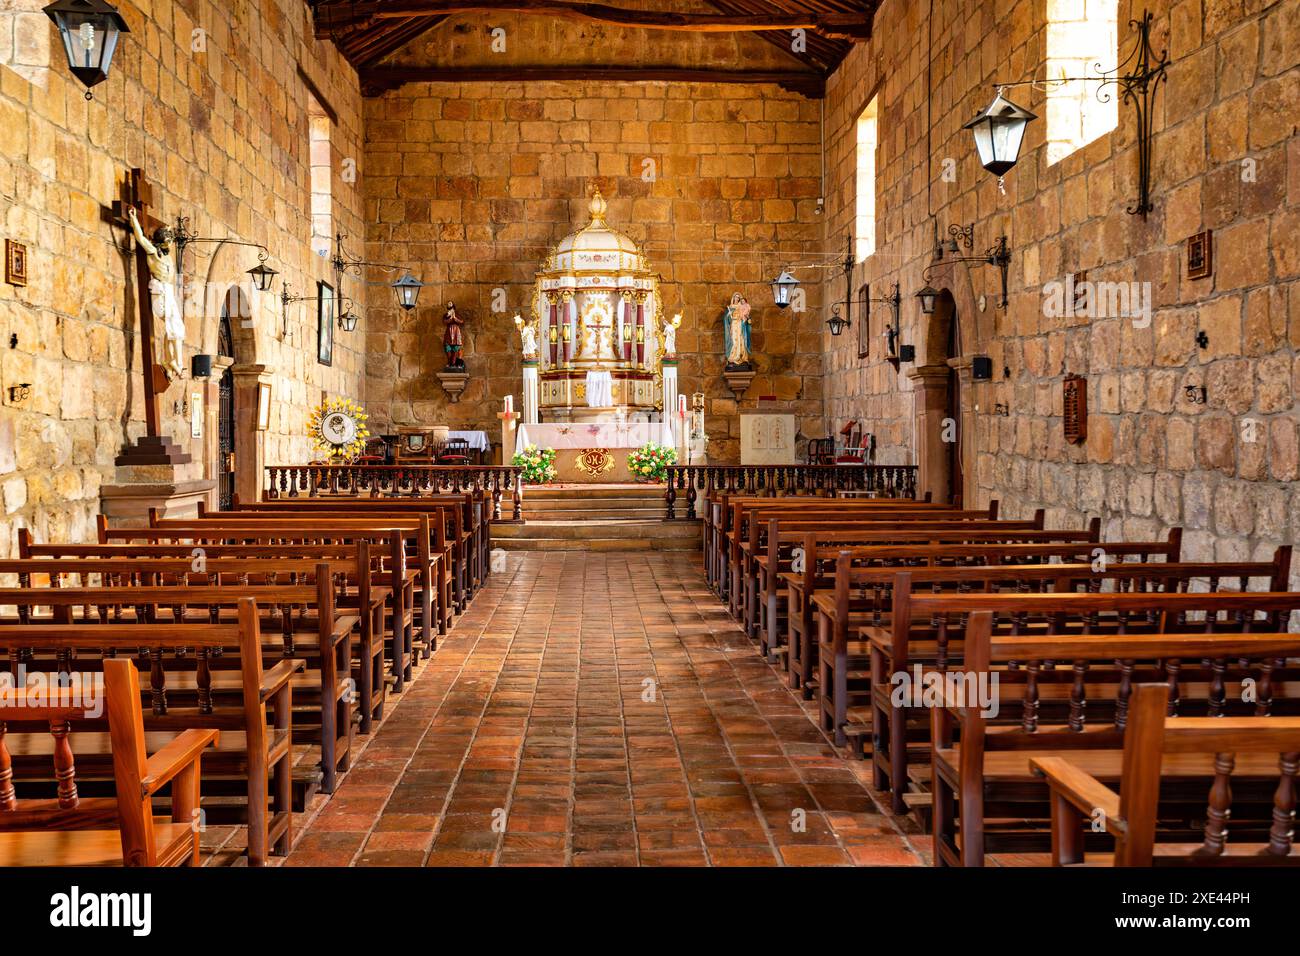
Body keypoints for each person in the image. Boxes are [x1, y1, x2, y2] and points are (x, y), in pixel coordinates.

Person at [127, 207, 185, 381]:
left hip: (168, 292)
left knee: (177, 329)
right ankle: (177, 364)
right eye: (169, 238)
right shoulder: (154, 252)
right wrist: (133, 219)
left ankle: (169, 362)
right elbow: (140, 238)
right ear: (163, 240)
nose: (171, 241)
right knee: (173, 327)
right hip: (160, 294)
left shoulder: (167, 258)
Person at [724, 293, 751, 368]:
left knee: (741, 338)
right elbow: (726, 319)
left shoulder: (741, 306)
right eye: (736, 297)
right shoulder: (730, 307)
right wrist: (729, 315)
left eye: (738, 297)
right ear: (733, 298)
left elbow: (745, 314)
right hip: (734, 324)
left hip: (740, 324)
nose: (737, 299)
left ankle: (741, 356)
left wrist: (747, 319)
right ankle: (733, 356)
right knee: (734, 339)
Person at [443, 302, 465, 369]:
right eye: (449, 308)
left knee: (456, 347)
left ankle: (453, 363)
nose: (450, 309)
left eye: (452, 308)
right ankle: (450, 362)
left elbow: (461, 321)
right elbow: (444, 321)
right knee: (447, 347)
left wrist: (455, 318)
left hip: (456, 332)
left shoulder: (457, 314)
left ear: (454, 308)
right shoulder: (446, 315)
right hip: (449, 332)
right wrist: (450, 318)